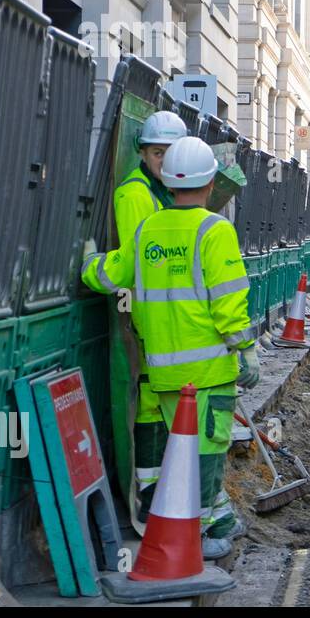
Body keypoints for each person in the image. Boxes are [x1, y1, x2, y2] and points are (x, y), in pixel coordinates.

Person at [82, 137, 258, 560]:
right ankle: (199, 537)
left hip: (162, 374)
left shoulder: (148, 228)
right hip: (210, 373)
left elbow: (112, 274)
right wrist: (246, 349)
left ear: (170, 180)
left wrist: (88, 262)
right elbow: (228, 299)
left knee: (181, 453)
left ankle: (219, 519)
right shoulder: (215, 230)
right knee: (207, 452)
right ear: (212, 181)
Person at [114, 110, 186, 524]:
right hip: (149, 322)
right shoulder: (135, 194)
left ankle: (162, 490)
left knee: (159, 403)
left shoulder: (165, 191)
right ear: (144, 153)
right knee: (149, 404)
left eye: (170, 153)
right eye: (157, 153)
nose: (163, 161)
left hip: (168, 322)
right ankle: (150, 492)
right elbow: (134, 263)